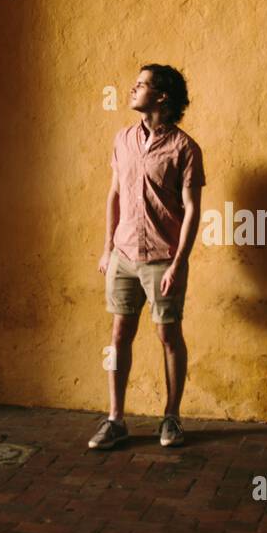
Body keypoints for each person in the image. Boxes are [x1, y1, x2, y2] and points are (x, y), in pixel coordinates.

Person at [88, 65, 205, 451]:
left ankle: (171, 417)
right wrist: (107, 248)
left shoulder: (185, 149)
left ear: (161, 97)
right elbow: (115, 196)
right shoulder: (122, 139)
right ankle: (115, 420)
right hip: (123, 254)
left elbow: (191, 209)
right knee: (119, 334)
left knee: (168, 335)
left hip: (162, 258)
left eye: (140, 85)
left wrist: (179, 262)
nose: (132, 89)